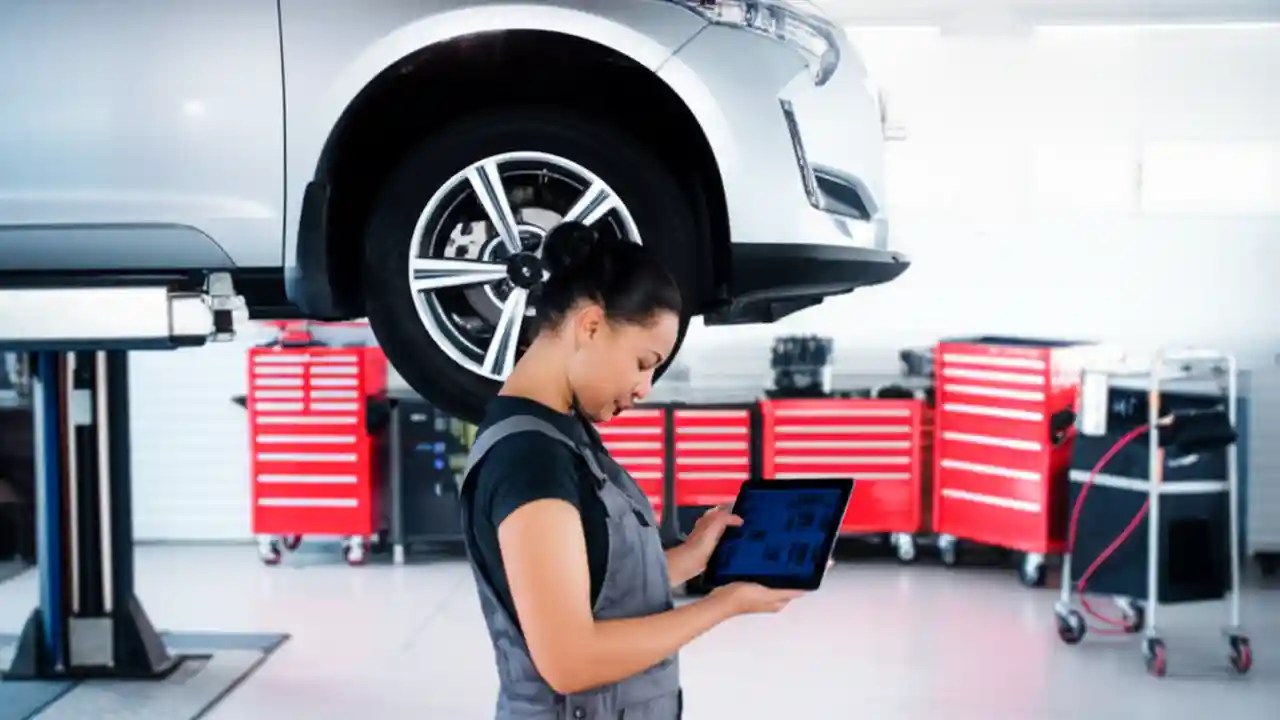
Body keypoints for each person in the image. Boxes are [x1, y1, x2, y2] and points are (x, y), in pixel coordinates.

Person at [459, 222, 805, 719]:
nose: (645, 388)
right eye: (644, 362)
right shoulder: (529, 462)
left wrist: (692, 556)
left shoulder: (561, 435)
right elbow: (570, 661)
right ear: (591, 325)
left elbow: (595, 588)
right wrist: (723, 605)